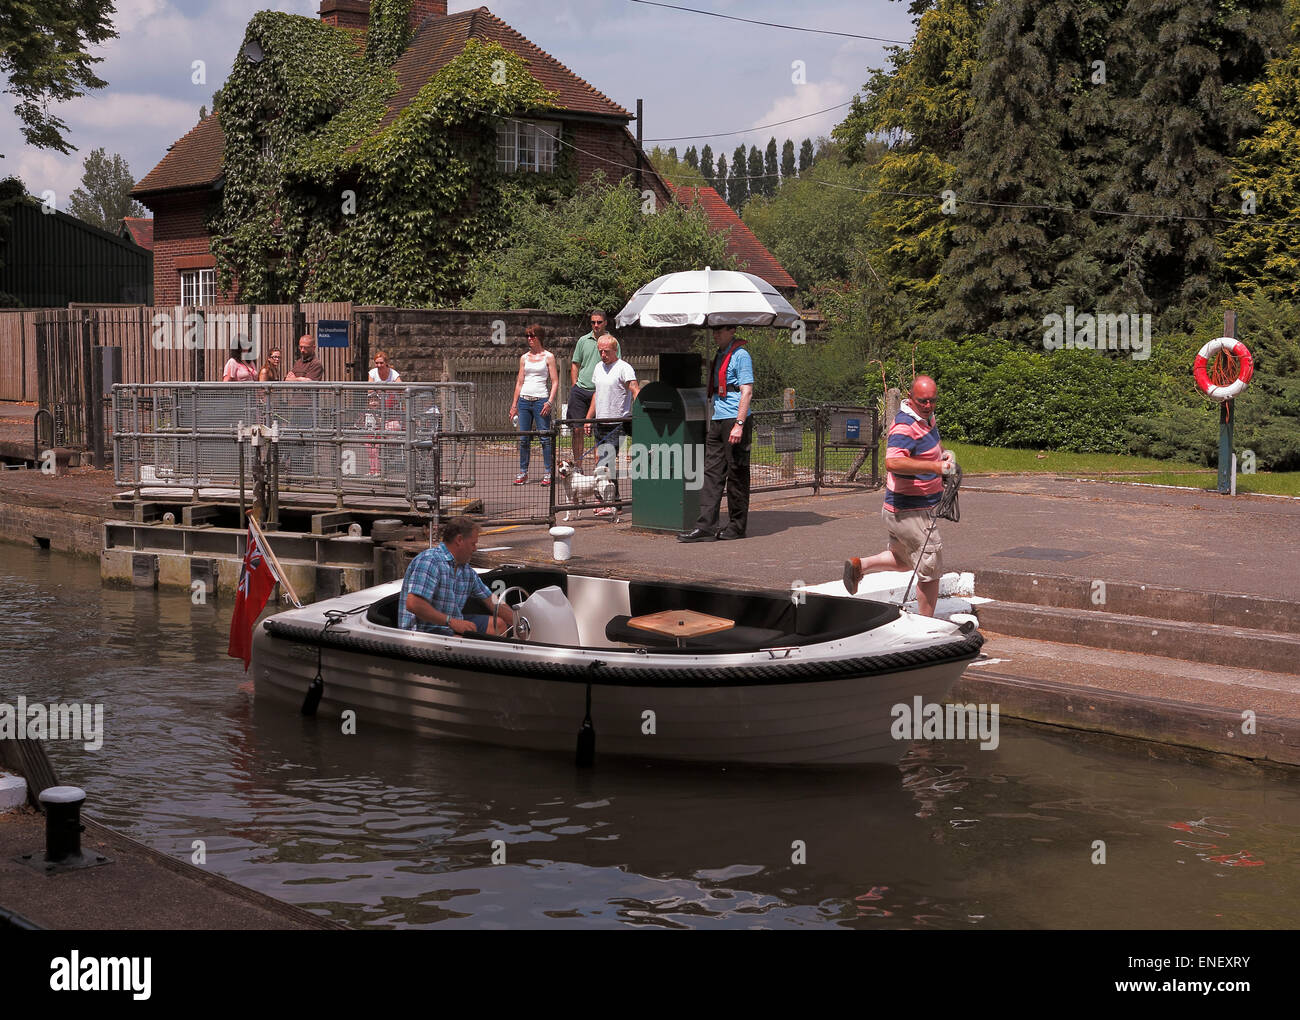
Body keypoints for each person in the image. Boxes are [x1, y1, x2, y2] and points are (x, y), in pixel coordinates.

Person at [843, 374, 952, 618]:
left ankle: (860, 566)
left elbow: (934, 448)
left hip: (900, 510)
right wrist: (935, 468)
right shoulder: (904, 425)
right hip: (910, 511)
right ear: (911, 398)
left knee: (903, 559)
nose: (928, 405)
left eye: (932, 401)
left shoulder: (926, 418)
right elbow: (892, 461)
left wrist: (944, 457)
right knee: (930, 568)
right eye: (923, 401)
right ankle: (926, 627)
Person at [678, 324, 753, 542]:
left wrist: (739, 424)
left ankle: (737, 527)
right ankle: (706, 526)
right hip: (718, 419)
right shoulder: (720, 355)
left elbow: (746, 392)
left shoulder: (741, 355)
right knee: (711, 473)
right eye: (715, 330)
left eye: (721, 330)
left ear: (732, 331)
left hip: (734, 419)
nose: (716, 334)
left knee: (737, 475)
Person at [399, 516, 516, 636]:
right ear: (459, 540)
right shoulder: (430, 561)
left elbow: (491, 600)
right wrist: (451, 621)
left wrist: (518, 622)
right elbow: (413, 604)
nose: (475, 549)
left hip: (449, 625)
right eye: (473, 544)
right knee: (462, 639)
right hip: (423, 632)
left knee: (498, 625)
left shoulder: (466, 571)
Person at [584, 335, 640, 513]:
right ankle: (612, 500)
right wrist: (588, 417)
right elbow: (596, 394)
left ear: (615, 350)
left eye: (606, 351)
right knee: (605, 464)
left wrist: (640, 411)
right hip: (600, 422)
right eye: (600, 351)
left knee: (605, 463)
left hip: (618, 423)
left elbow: (634, 389)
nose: (602, 354)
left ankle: (606, 502)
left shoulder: (624, 368)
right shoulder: (598, 367)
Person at [509, 325, 559, 485]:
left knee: (544, 437)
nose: (529, 339)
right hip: (524, 400)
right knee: (524, 438)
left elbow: (555, 381)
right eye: (527, 336)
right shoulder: (524, 358)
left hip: (540, 400)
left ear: (539, 337)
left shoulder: (548, 357)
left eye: (532, 336)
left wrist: (549, 401)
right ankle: (523, 472)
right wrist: (514, 404)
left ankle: (548, 472)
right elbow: (519, 382)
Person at [567, 310, 619, 464]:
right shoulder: (583, 340)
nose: (596, 325)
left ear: (605, 323)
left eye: (599, 322)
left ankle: (598, 468)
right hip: (581, 391)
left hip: (601, 393)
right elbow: (575, 364)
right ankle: (578, 466)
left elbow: (617, 365)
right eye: (593, 322)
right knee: (577, 429)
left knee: (599, 431)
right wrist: (575, 385)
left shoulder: (612, 342)